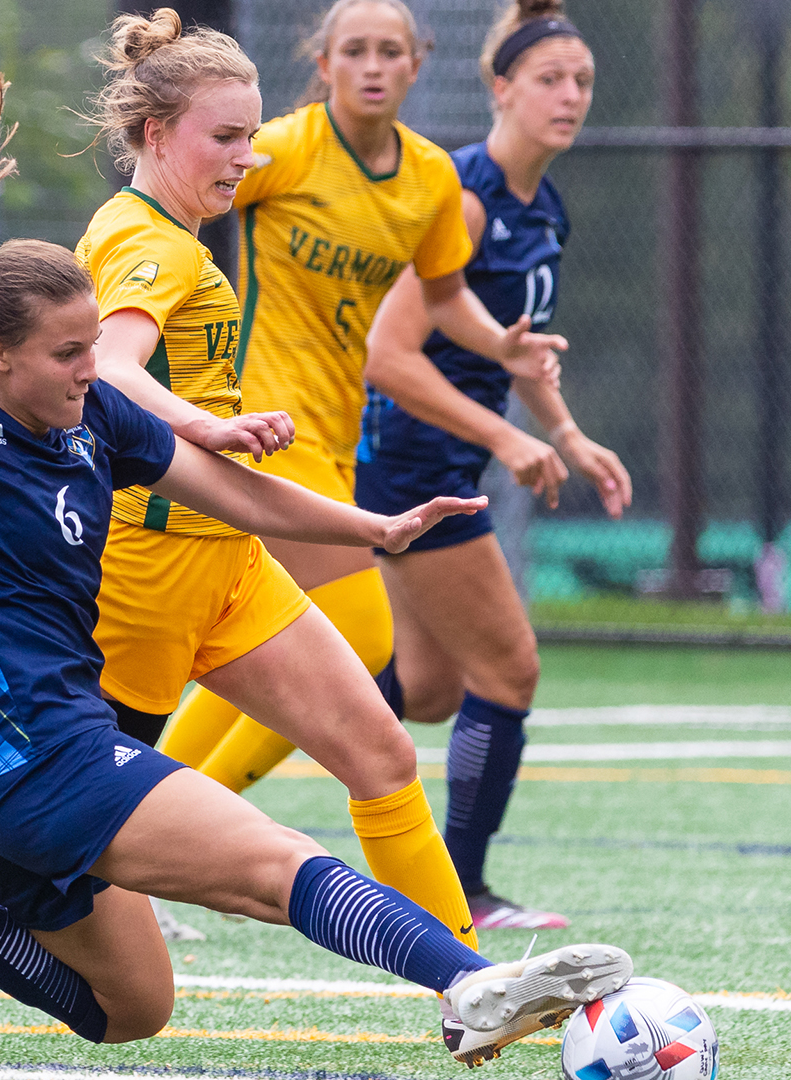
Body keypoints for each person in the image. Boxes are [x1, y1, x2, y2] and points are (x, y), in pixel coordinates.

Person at [0, 65, 630, 1068]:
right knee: (278, 865)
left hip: (6, 769)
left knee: (132, 1010)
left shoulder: (90, 413)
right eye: (69, 354)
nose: (90, 368)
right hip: (34, 761)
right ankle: (467, 983)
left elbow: (231, 494)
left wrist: (377, 528)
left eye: (90, 345)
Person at [0, 4, 493, 972]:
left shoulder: (172, 231)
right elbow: (117, 370)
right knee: (58, 817)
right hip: (144, 572)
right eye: (225, 137)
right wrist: (208, 425)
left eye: (252, 135)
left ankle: (475, 983)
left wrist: (371, 525)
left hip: (226, 561)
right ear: (155, 133)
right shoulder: (149, 244)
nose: (245, 157)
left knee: (378, 754)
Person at [153, 0, 564, 825]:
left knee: (258, 650)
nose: (372, 65)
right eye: (355, 51)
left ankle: (138, 832)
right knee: (363, 643)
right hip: (262, 429)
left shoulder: (430, 178)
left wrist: (502, 347)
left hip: (338, 442)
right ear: (325, 66)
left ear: (416, 65)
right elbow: (178, 193)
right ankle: (166, 831)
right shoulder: (287, 148)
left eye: (389, 51)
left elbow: (446, 296)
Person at [354, 0, 632, 930]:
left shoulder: (543, 205)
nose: (570, 95)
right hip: (414, 457)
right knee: (510, 672)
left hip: (450, 455)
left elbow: (517, 350)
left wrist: (565, 433)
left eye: (583, 80)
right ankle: (458, 893)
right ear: (501, 87)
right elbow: (389, 357)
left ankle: (264, 715)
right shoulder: (465, 196)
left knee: (427, 691)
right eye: (550, 78)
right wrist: (509, 438)